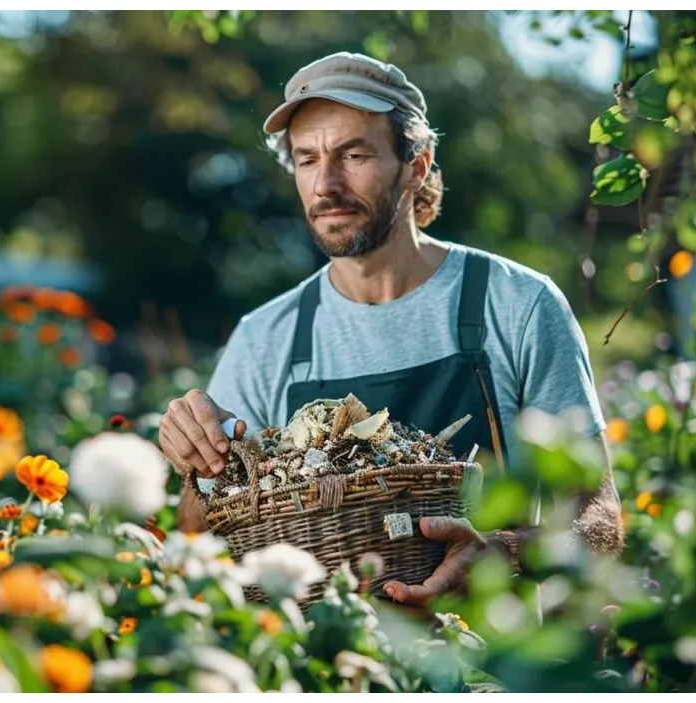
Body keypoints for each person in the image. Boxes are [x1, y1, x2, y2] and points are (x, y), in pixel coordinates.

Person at [158, 52, 624, 606]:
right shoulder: (267, 337)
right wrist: (199, 467)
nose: (325, 184)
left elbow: (600, 522)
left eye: (353, 154)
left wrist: (508, 552)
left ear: (416, 165)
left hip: (491, 666)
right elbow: (201, 539)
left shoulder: (517, 303)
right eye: (306, 160)